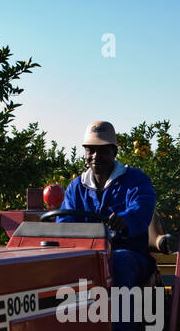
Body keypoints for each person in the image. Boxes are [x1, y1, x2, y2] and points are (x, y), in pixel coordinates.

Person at [58, 120, 158, 292]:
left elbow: (142, 208)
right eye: (91, 150)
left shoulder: (135, 179)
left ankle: (121, 318)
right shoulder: (76, 187)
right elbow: (64, 221)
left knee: (117, 261)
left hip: (129, 255)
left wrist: (125, 220)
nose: (96, 155)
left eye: (102, 150)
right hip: (86, 254)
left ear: (114, 151)